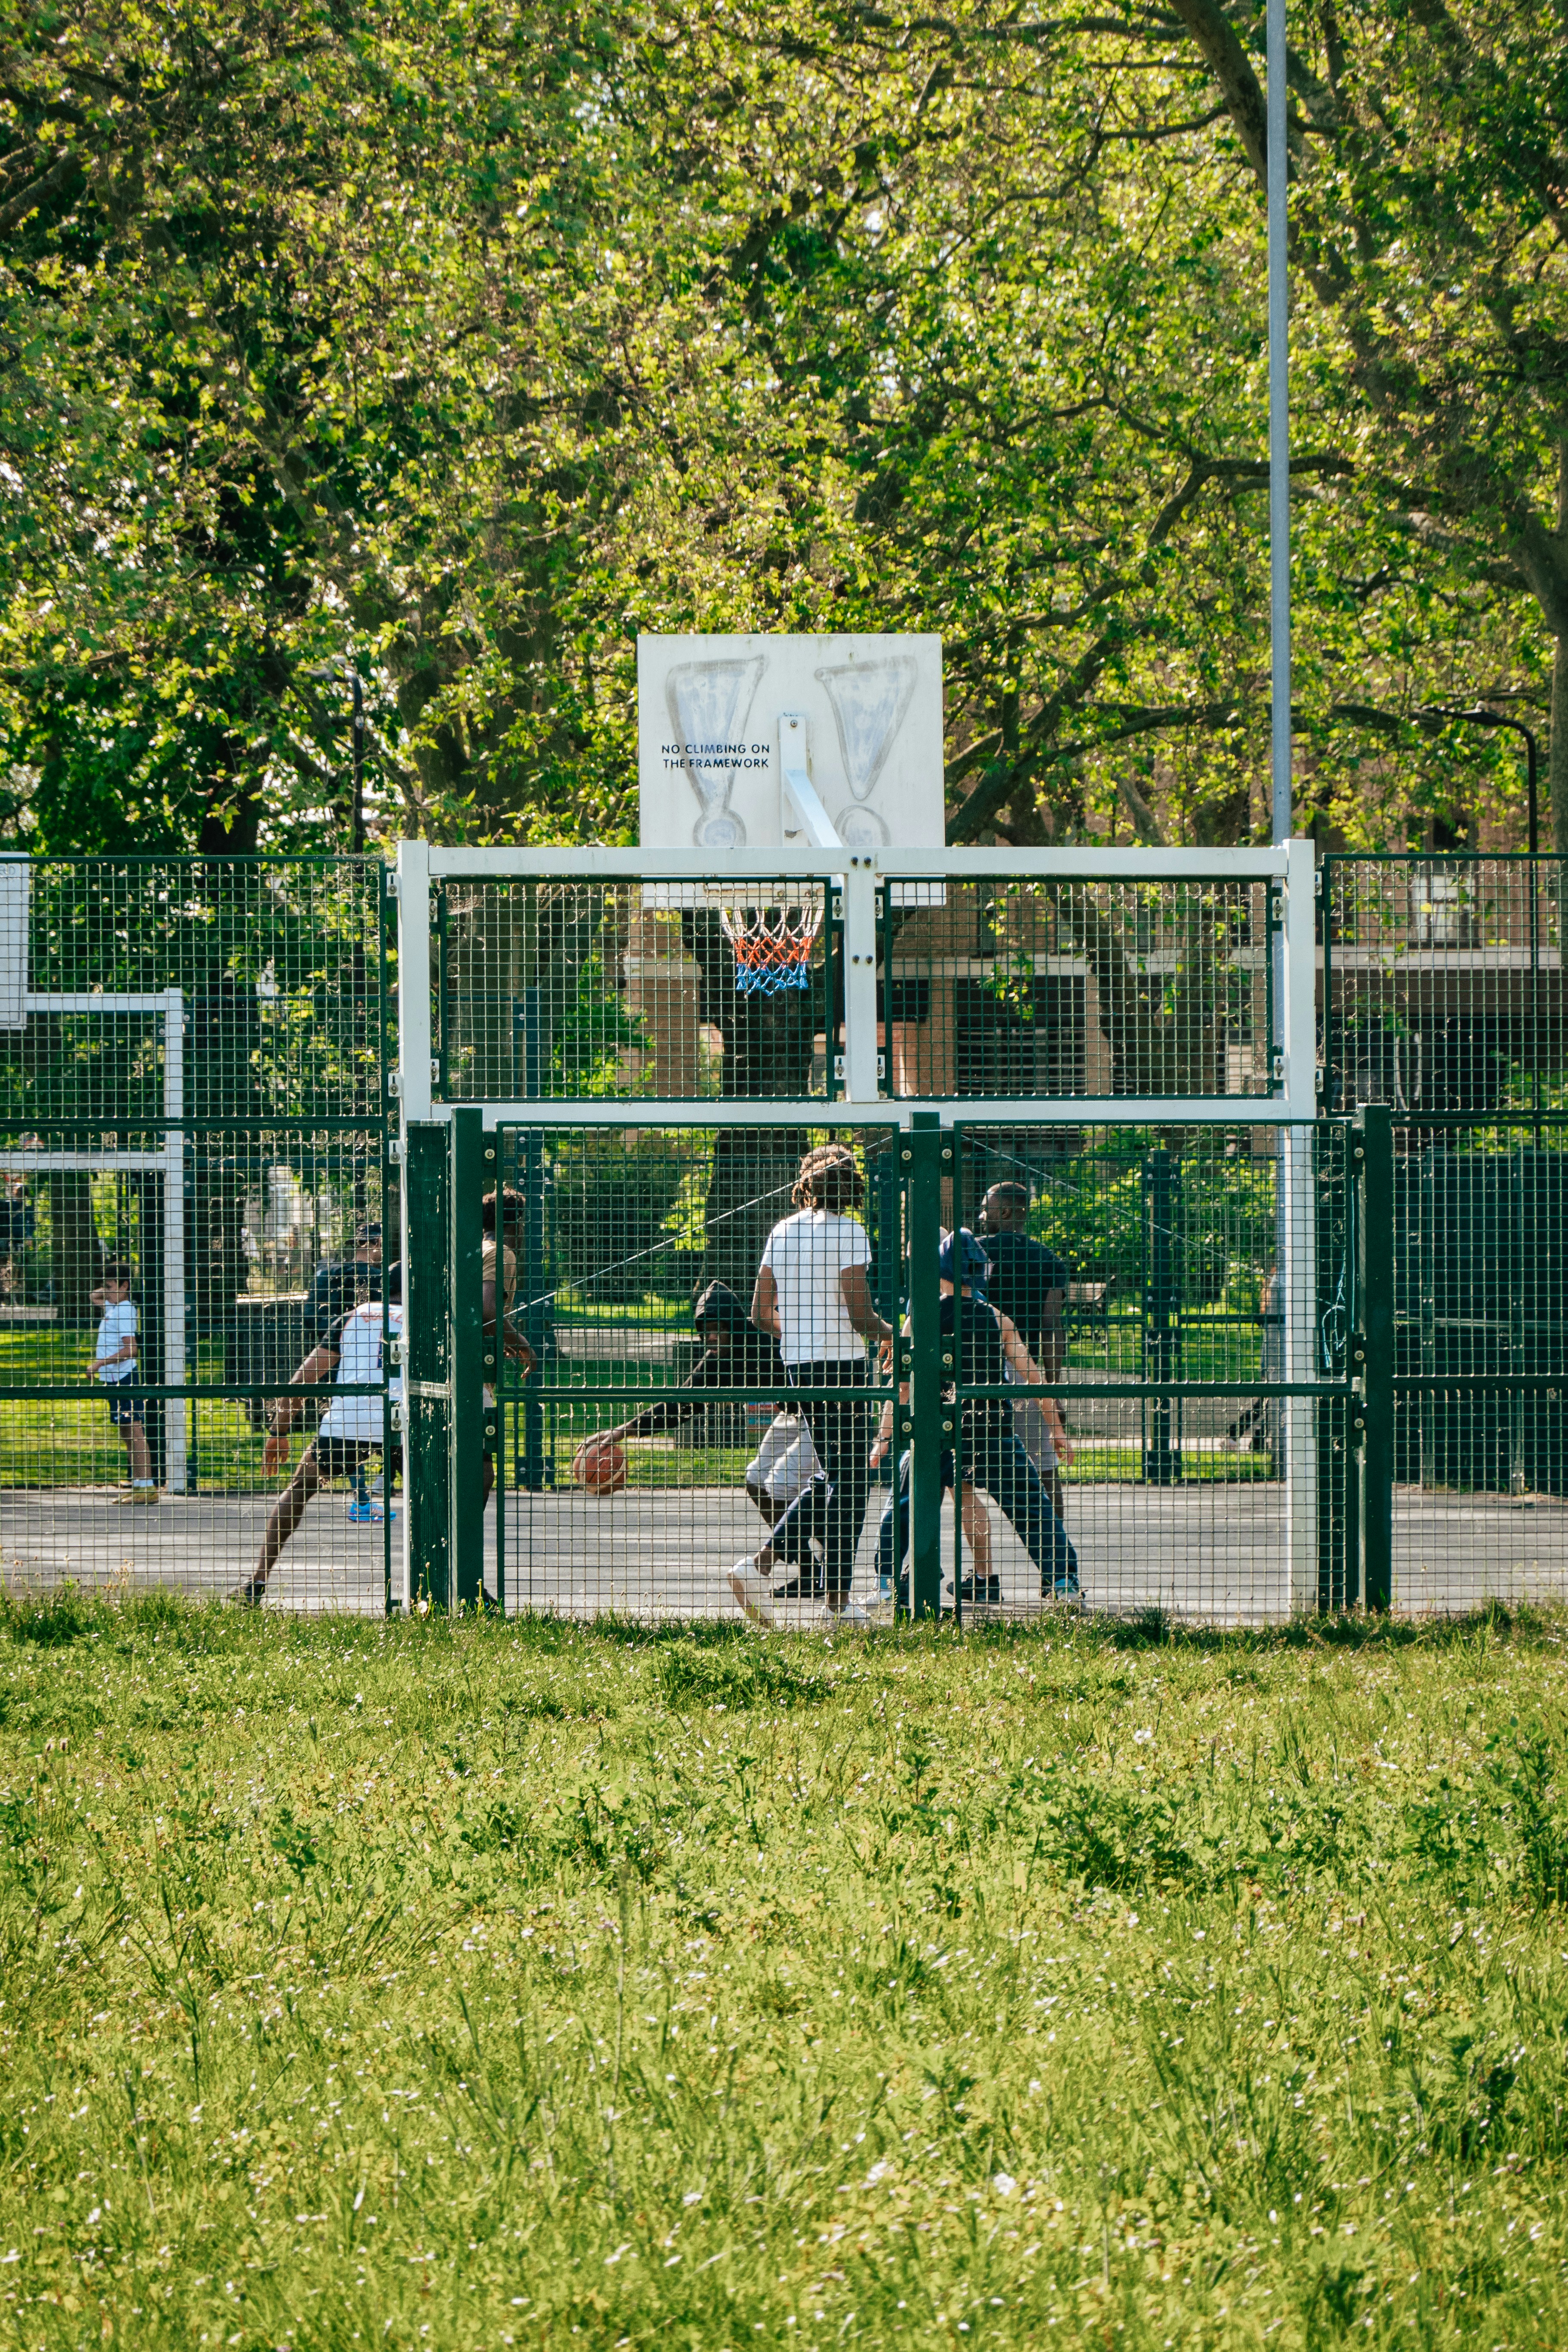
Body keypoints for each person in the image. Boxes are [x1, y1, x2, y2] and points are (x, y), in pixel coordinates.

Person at [872, 1228, 1080, 1614]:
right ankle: (1064, 1582)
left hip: (935, 1430)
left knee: (905, 1502)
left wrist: (884, 1437)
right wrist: (1056, 1429)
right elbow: (1034, 1377)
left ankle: (886, 1581)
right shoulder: (996, 1318)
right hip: (992, 1427)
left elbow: (901, 1386)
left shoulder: (923, 1316)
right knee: (1032, 1506)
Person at [729, 1144, 894, 1626]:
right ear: (853, 1186)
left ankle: (769, 1566)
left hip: (800, 1367)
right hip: (841, 1367)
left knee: (834, 1477)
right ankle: (832, 1601)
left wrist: (799, 1335)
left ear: (806, 1182)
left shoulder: (782, 1231)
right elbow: (860, 1315)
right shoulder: (850, 1232)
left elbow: (761, 1314)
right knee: (852, 1482)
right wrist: (893, 1336)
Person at [585, 1281, 826, 1592]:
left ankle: (829, 1562)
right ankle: (810, 1570)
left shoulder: (769, 1341)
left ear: (734, 1326)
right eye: (705, 1330)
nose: (710, 1336)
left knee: (781, 1483)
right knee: (756, 1479)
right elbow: (680, 1405)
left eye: (718, 1328)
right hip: (792, 1416)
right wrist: (622, 1432)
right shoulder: (717, 1359)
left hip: (821, 1415)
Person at [237, 1265, 405, 1605]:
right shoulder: (432, 1318)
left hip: (350, 1422)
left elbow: (302, 1380)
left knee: (298, 1490)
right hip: (405, 1423)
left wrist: (279, 1432)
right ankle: (439, 1588)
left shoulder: (351, 1318)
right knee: (434, 1501)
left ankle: (257, 1580)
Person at [977, 1181, 1071, 1515]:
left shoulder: (972, 1254)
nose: (981, 1214)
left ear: (1003, 1211)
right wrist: (1052, 1386)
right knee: (1045, 1467)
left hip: (977, 1372)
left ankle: (976, 1563)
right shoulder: (1050, 1261)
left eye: (986, 1207)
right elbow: (1052, 1327)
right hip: (1025, 1373)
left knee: (958, 1473)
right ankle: (1056, 1552)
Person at [481, 1187, 536, 1505]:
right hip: (471, 1376)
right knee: (483, 1473)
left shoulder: (474, 1248)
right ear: (517, 1222)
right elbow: (489, 1310)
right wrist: (524, 1345)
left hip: (454, 1369)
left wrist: (497, 1335)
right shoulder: (502, 1254)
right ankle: (463, 1552)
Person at [90, 1261, 156, 1501]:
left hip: (125, 1378)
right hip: (114, 1379)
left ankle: (147, 1487)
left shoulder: (125, 1310)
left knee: (135, 1432)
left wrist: (99, 1364)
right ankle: (140, 1487)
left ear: (125, 1286)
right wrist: (109, 1284)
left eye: (110, 1287)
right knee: (128, 1432)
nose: (105, 1292)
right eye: (105, 1288)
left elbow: (132, 1349)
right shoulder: (114, 1306)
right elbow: (93, 1296)